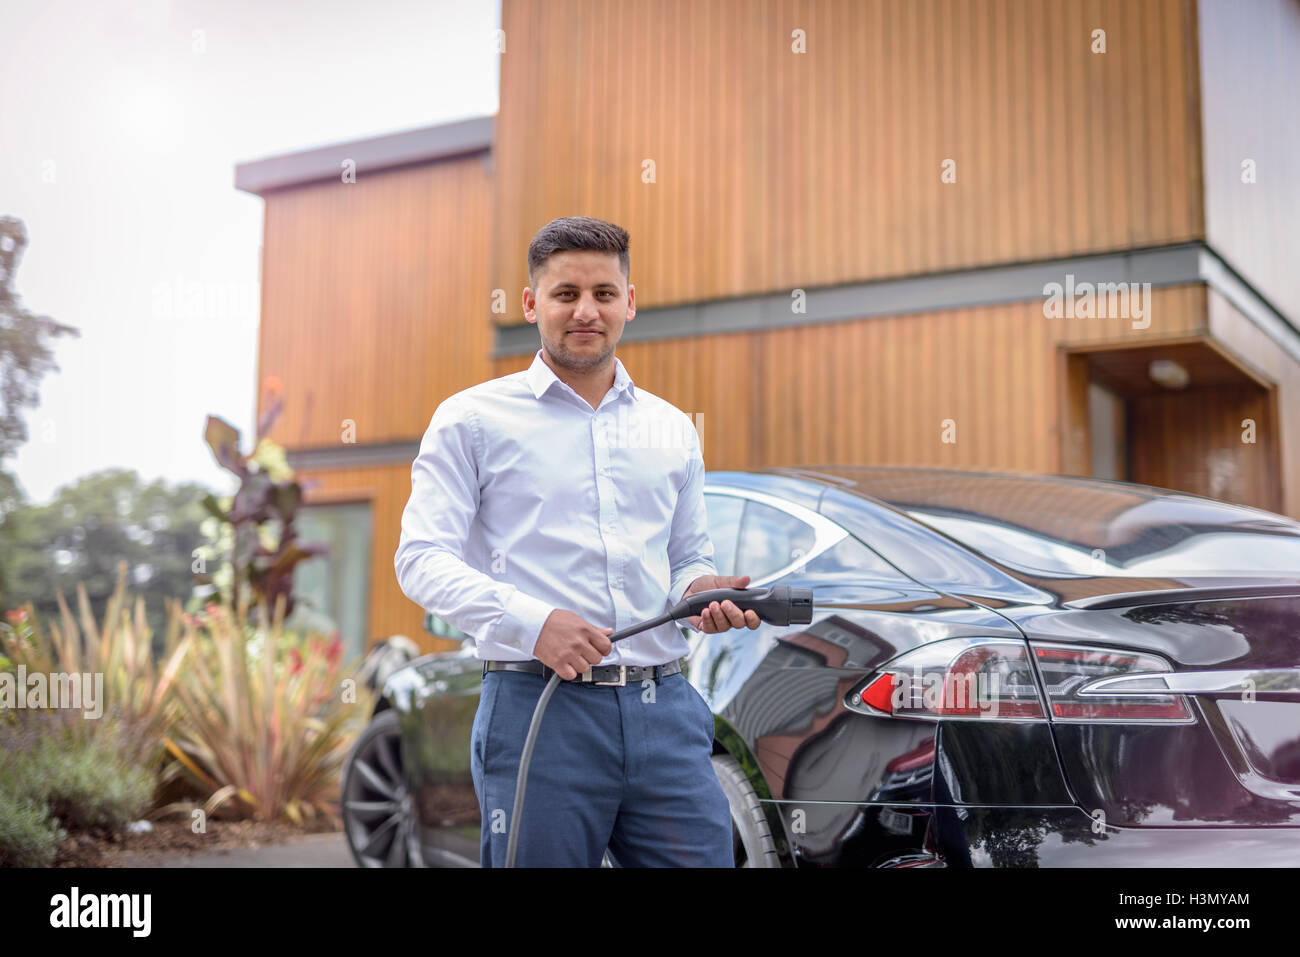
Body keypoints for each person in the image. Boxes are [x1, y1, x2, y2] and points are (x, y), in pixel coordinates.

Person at [394, 215, 759, 867]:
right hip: (538, 707)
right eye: (566, 294)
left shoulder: (672, 428)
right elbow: (421, 559)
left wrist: (699, 591)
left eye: (603, 293)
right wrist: (535, 623)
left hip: (666, 710)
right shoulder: (471, 420)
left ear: (630, 303)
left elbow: (686, 560)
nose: (585, 310)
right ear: (532, 304)